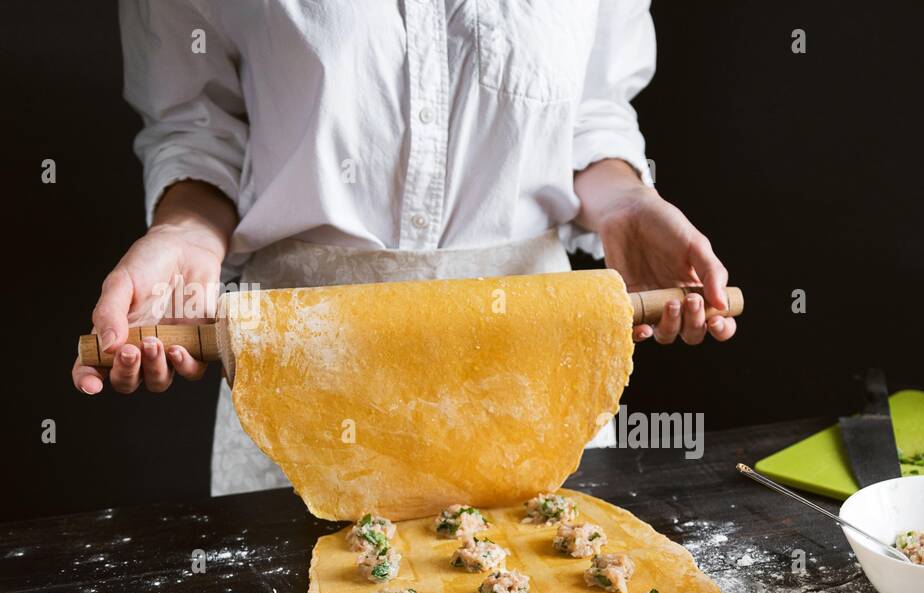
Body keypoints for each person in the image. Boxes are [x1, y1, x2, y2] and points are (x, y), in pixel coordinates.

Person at [73, 0, 735, 495]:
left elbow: (590, 111)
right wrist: (185, 230)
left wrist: (627, 202)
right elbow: (198, 125)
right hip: (307, 386)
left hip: (533, 380)